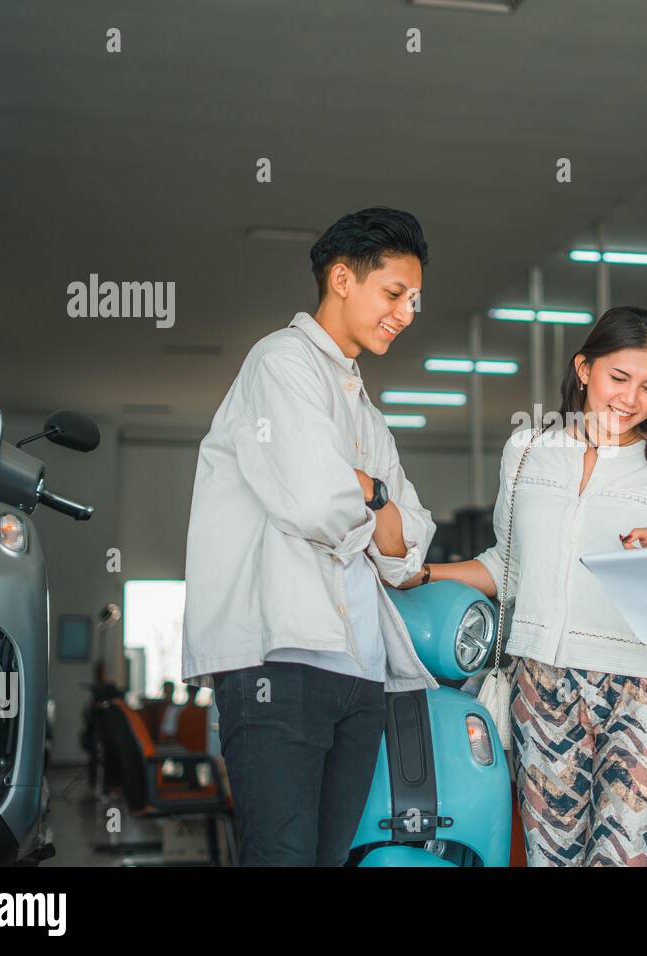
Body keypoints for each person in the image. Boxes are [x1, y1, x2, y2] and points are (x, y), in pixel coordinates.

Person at [181, 207, 438, 866]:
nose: (406, 312)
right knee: (282, 856)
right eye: (393, 294)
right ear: (342, 279)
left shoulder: (365, 410)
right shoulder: (280, 364)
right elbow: (318, 506)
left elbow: (408, 553)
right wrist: (370, 503)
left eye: (413, 299)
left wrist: (368, 489)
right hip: (281, 661)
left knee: (328, 859)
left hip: (361, 672)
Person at [415, 306, 647, 866]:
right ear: (584, 369)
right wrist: (423, 574)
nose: (630, 399)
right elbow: (506, 563)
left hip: (646, 686)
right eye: (617, 379)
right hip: (542, 683)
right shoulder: (528, 451)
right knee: (552, 858)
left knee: (630, 859)